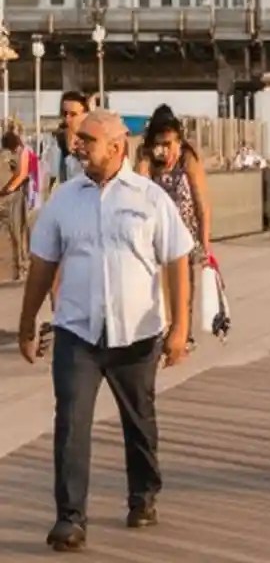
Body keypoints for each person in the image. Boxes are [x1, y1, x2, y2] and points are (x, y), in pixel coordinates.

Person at [16, 110, 194, 553]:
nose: (78, 147)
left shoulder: (150, 199)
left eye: (88, 141)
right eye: (78, 140)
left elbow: (176, 261)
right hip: (78, 332)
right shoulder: (64, 200)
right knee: (71, 422)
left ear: (117, 148)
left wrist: (180, 328)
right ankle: (70, 518)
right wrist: (26, 323)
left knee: (139, 423)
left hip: (136, 336)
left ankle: (143, 495)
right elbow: (42, 264)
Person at [136, 105, 213, 349]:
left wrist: (205, 244)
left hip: (185, 234)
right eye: (160, 144)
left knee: (184, 285)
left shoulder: (188, 159)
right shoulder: (148, 161)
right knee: (156, 286)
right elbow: (138, 192)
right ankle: (161, 329)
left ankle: (184, 333)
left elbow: (202, 204)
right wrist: (146, 161)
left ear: (179, 141)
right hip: (155, 236)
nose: (166, 150)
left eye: (170, 143)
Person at [1, 130, 33, 280]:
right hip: (12, 197)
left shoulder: (3, 156)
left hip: (5, 197)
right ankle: (20, 266)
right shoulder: (13, 156)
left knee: (10, 234)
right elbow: (22, 173)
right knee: (18, 233)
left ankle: (15, 267)